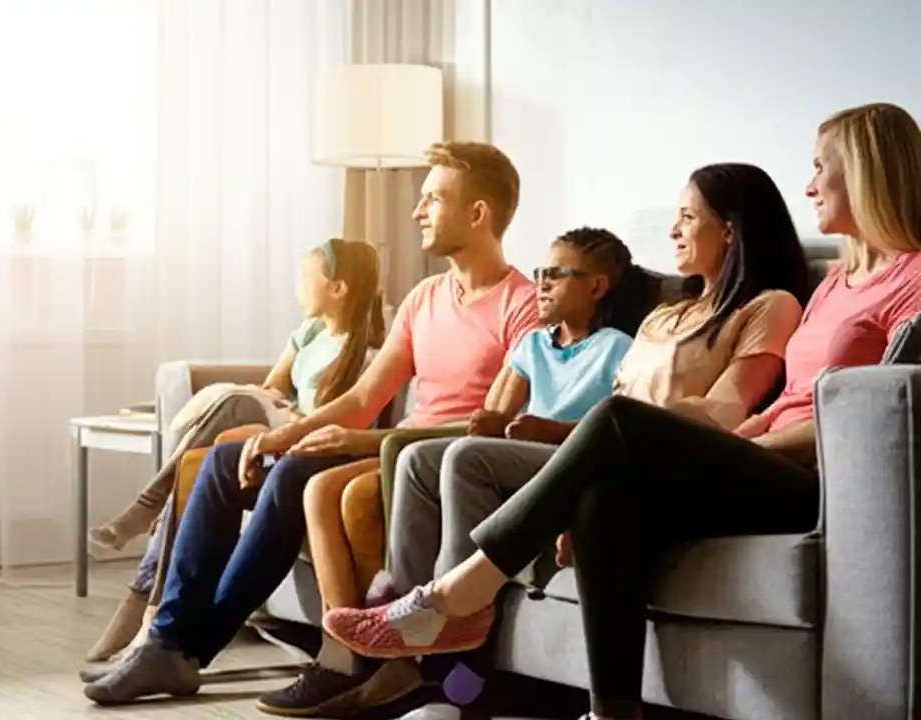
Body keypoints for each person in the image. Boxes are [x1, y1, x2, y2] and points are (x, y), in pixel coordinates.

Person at [324, 102, 921, 720]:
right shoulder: (833, 285)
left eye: (821, 167)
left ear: (866, 169)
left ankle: (459, 593)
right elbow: (776, 405)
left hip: (815, 480)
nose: (808, 184)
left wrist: (749, 446)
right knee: (600, 495)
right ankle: (612, 712)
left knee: (618, 420)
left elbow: (873, 423)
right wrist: (744, 440)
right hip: (759, 455)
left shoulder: (915, 280)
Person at [82, 141, 541, 706]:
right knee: (231, 459)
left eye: (432, 199)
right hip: (385, 444)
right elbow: (366, 394)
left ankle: (183, 650)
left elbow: (498, 428)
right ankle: (169, 644)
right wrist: (281, 433)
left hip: (424, 460)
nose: (416, 212)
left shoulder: (523, 304)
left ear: (478, 214)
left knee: (295, 474)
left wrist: (353, 440)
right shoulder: (425, 297)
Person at [260, 227, 644, 717]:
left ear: (596, 287)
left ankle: (455, 626)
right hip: (519, 457)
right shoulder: (533, 346)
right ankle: (401, 607)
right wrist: (495, 422)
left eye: (557, 274)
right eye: (541, 272)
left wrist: (540, 429)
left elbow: (615, 430)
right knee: (420, 457)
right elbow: (489, 418)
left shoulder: (617, 348)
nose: (542, 283)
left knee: (464, 459)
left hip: (567, 459)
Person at [84, 237, 385, 662]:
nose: (297, 286)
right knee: (198, 461)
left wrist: (287, 421)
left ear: (338, 288)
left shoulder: (368, 355)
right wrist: (274, 409)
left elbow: (347, 422)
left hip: (308, 447)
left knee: (228, 417)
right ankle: (152, 616)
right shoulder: (310, 333)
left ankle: (146, 554)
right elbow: (272, 389)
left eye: (305, 276)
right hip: (275, 436)